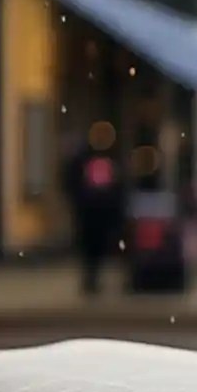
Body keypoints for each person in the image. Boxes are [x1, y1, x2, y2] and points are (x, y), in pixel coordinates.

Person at [63, 122, 124, 295]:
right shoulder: (82, 159)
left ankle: (94, 279)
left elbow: (118, 186)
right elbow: (72, 182)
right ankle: (89, 279)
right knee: (88, 247)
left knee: (100, 247)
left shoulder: (111, 159)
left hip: (103, 213)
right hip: (88, 212)